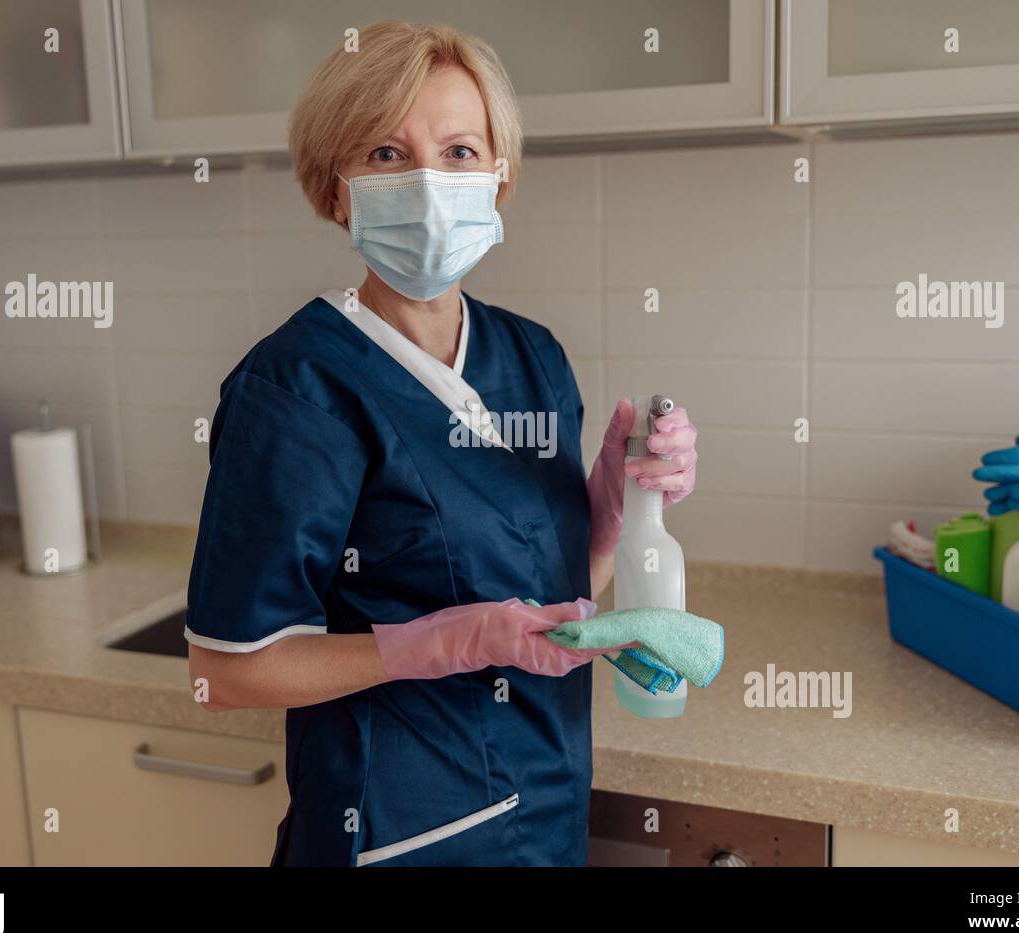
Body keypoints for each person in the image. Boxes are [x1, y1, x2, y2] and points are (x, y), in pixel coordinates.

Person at [185, 20, 698, 866]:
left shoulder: (534, 358)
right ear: (337, 185)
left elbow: (551, 597)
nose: (428, 180)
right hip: (393, 833)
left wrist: (613, 511)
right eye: (386, 153)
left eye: (460, 151)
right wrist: (436, 643)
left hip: (547, 806)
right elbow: (226, 669)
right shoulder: (296, 388)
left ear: (498, 177)